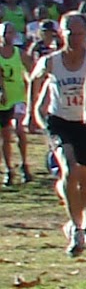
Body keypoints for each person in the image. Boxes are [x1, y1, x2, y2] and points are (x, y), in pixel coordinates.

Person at [28, 11, 86, 255]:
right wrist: (31, 112)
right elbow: (35, 80)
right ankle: (77, 229)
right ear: (62, 33)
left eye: (80, 33)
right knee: (69, 169)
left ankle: (79, 222)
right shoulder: (52, 61)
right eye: (71, 33)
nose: (76, 38)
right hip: (60, 122)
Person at [0, 23, 36, 185]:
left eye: (11, 33)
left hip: (18, 97)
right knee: (5, 136)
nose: (8, 36)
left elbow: (32, 73)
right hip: (2, 101)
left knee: (19, 129)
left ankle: (24, 164)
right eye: (5, 33)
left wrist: (31, 89)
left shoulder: (19, 54)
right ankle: (9, 169)